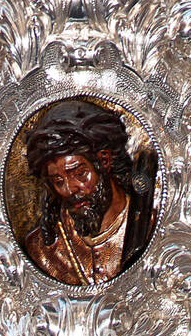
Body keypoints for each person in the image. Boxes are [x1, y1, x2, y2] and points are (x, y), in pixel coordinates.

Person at [22, 100, 157, 286]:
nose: (70, 190)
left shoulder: (150, 228)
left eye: (79, 174)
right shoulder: (43, 249)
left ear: (104, 160)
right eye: (58, 181)